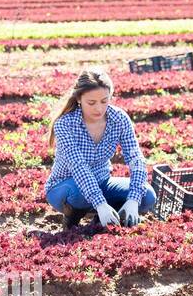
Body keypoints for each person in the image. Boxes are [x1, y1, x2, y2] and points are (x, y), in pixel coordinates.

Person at [44, 70, 158, 230]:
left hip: (102, 182)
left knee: (146, 195)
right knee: (79, 193)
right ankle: (72, 222)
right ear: (78, 99)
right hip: (65, 187)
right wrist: (100, 203)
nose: (99, 108)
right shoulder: (65, 124)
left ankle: (104, 220)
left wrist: (133, 200)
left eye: (104, 101)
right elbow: (78, 167)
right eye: (91, 103)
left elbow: (135, 157)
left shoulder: (118, 119)